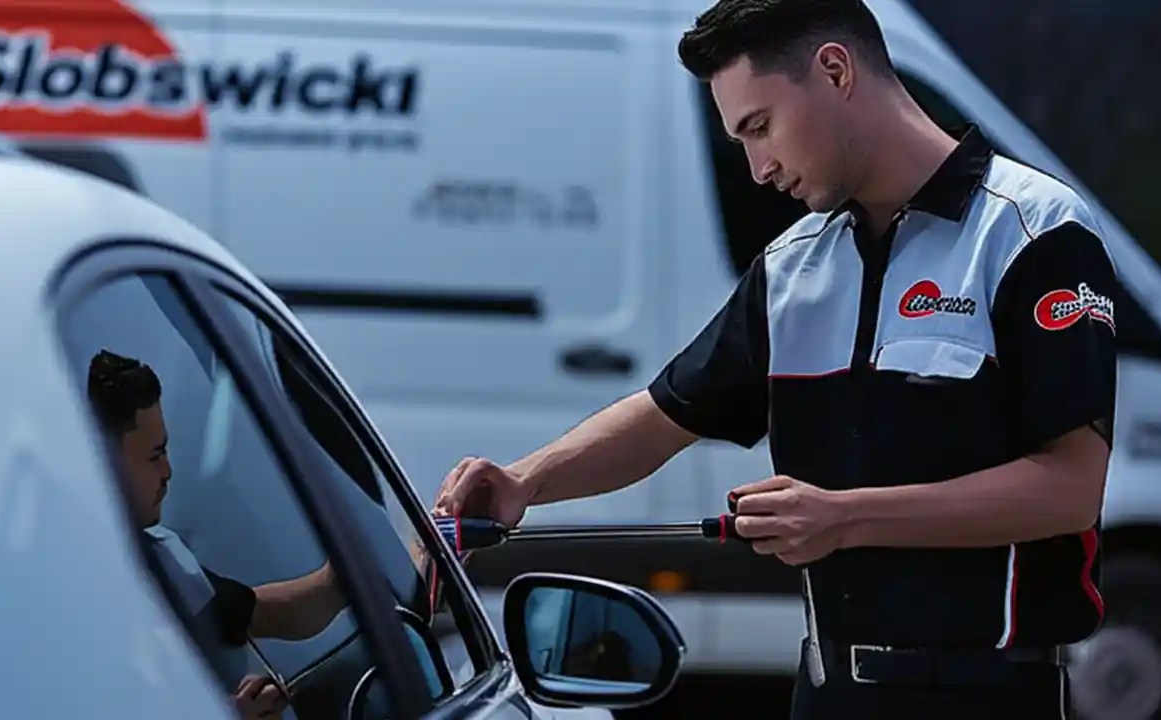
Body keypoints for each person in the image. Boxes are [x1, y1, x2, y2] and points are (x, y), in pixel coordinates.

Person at [433, 1, 1118, 717]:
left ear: (834, 69)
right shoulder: (792, 267)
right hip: (822, 696)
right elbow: (664, 415)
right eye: (741, 140)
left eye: (760, 128)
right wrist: (522, 482)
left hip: (987, 699)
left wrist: (844, 518)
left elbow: (1070, 490)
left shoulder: (1032, 230)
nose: (759, 168)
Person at [87, 349, 350, 719]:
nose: (168, 471)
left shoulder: (166, 561)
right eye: (154, 455)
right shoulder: (71, 607)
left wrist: (349, 575)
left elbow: (271, 615)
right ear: (100, 464)